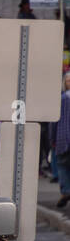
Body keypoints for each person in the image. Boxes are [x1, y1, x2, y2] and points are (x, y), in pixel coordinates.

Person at [55, 72, 70, 207]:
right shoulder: (61, 99)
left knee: (62, 166)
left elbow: (53, 122)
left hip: (62, 138)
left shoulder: (61, 99)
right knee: (62, 165)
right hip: (63, 138)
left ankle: (66, 191)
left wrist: (51, 138)